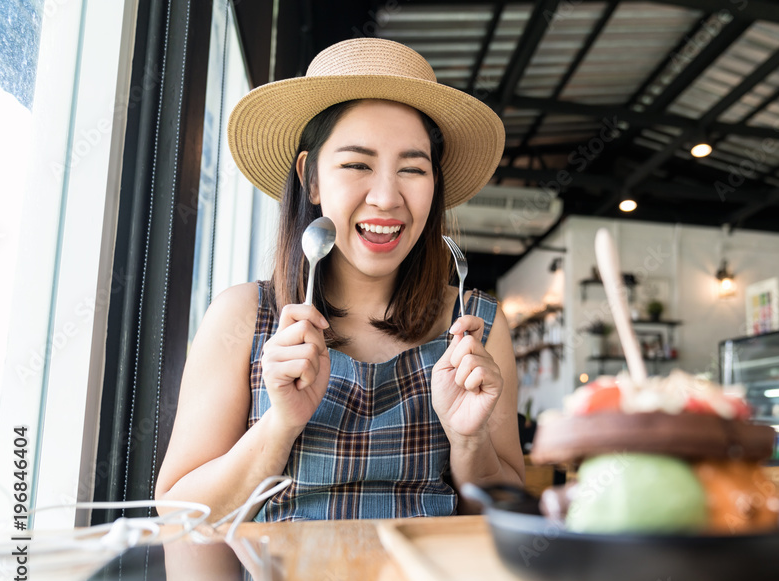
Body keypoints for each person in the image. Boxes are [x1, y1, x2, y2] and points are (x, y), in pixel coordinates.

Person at [155, 38, 524, 521]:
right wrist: (280, 424)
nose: (387, 198)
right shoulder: (244, 316)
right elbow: (177, 512)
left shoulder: (477, 328)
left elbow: (513, 512)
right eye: (356, 165)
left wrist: (469, 441)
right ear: (311, 178)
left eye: (413, 169)